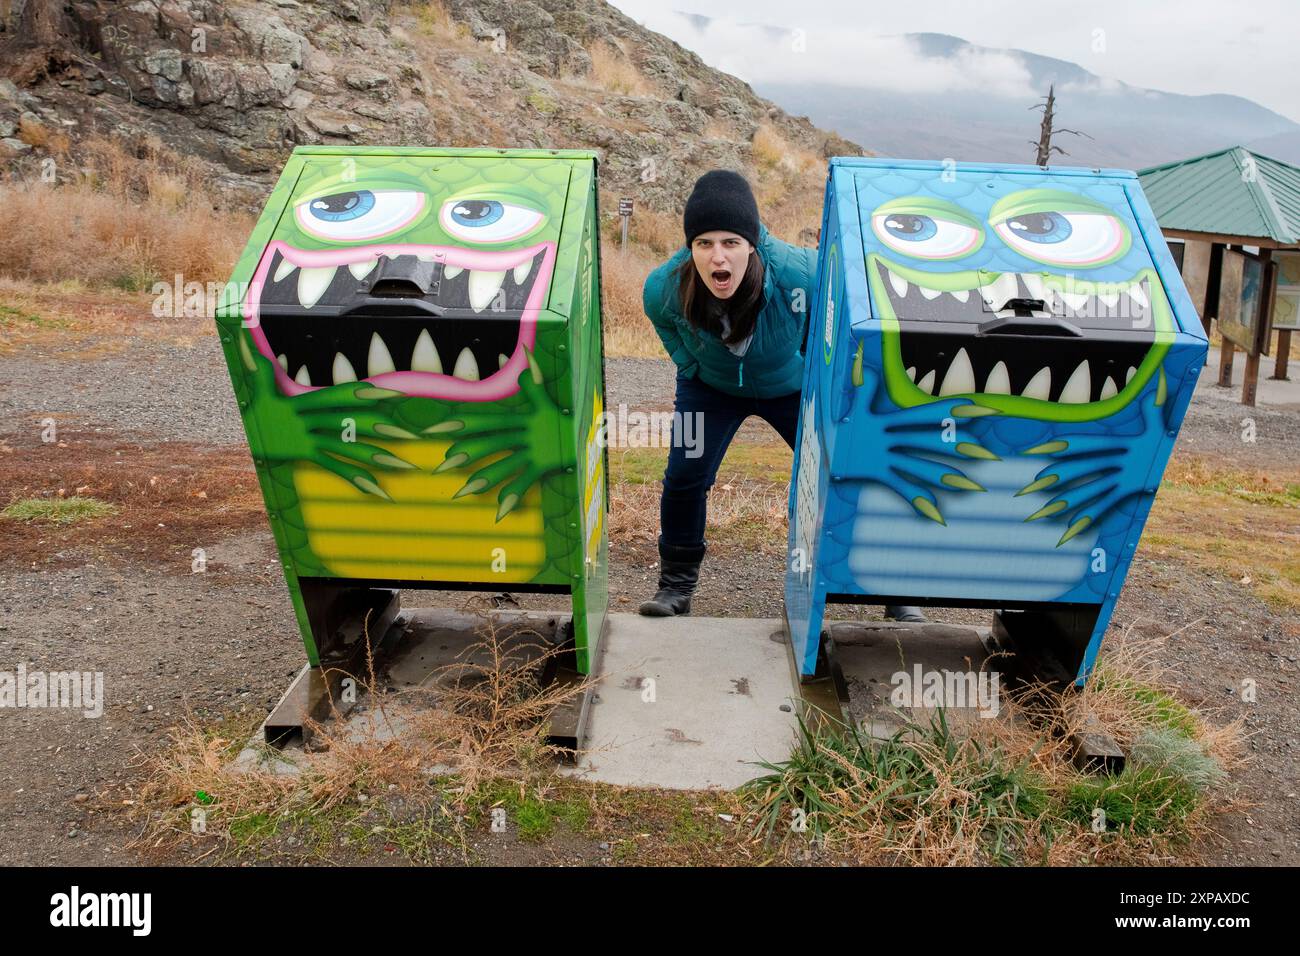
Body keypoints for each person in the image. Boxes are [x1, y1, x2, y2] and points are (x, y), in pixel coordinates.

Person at [638, 169, 927, 623]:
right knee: (684, 477)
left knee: (844, 471)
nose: (719, 257)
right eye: (705, 243)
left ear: (751, 244)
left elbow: (833, 325)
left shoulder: (802, 274)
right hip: (710, 387)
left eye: (731, 242)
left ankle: (891, 586)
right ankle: (675, 587)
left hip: (790, 388)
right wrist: (690, 365)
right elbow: (664, 324)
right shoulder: (665, 287)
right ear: (690, 248)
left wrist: (811, 371)